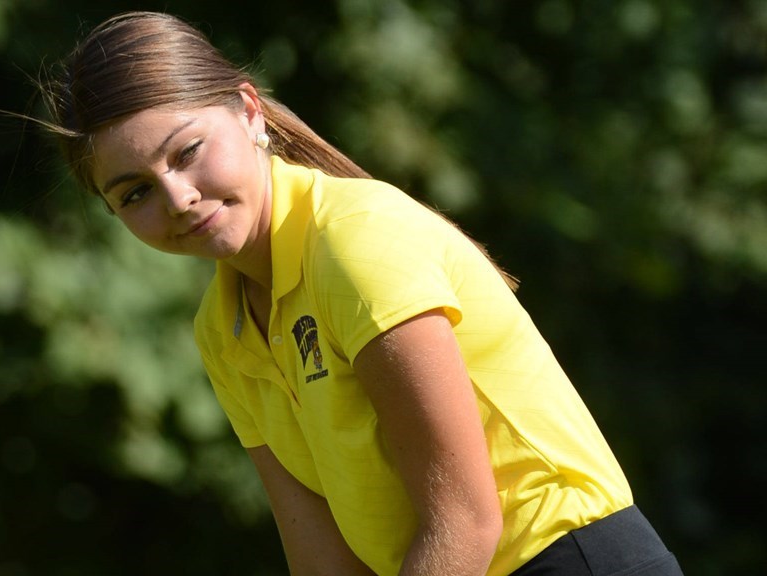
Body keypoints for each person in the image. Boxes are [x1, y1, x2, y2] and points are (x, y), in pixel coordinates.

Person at [36, 11, 683, 576]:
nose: (178, 198)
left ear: (250, 112)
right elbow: (322, 560)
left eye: (187, 153)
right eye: (135, 192)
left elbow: (465, 519)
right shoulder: (222, 329)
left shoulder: (354, 245)